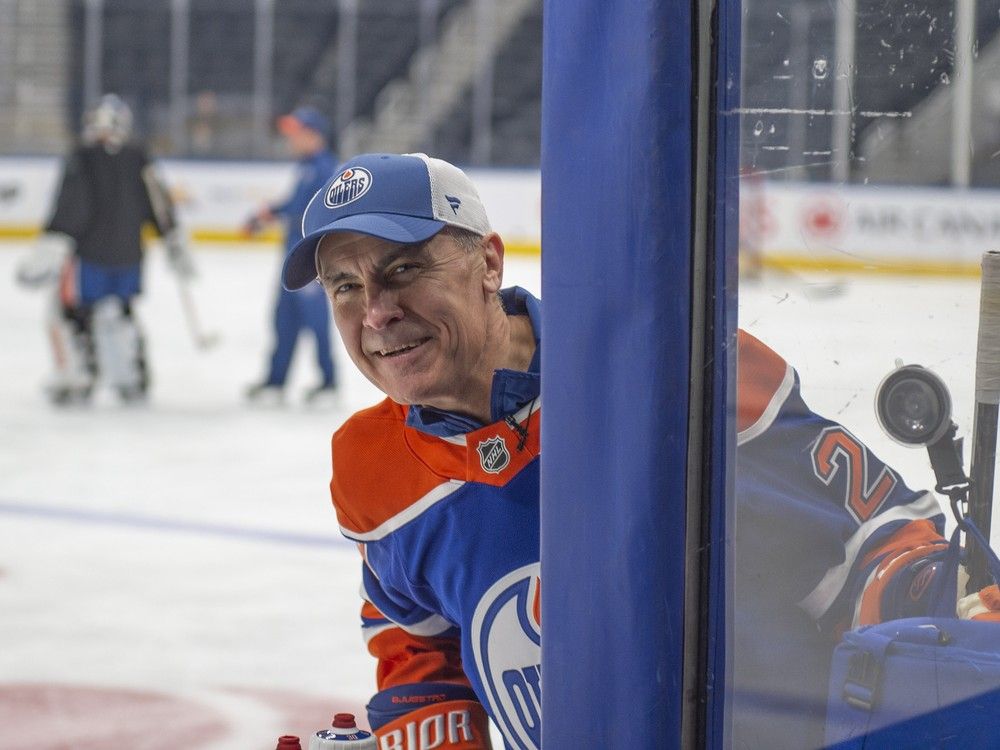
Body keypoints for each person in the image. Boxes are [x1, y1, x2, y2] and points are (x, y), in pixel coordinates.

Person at [280, 152, 1000, 750]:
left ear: (488, 263)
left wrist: (945, 596)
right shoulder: (369, 466)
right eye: (347, 285)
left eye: (405, 269)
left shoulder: (676, 371)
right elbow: (416, 640)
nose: (375, 312)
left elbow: (870, 548)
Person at [15, 93, 193, 405]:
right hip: (129, 256)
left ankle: (80, 374)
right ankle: (133, 376)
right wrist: (172, 238)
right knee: (122, 312)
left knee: (75, 314)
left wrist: (55, 236)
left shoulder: (82, 157)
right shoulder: (140, 157)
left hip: (89, 255)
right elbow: (158, 204)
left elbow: (74, 204)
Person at [244, 106, 338, 405]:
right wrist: (269, 212)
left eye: (296, 134)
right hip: (293, 256)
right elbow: (295, 204)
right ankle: (276, 380)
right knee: (284, 319)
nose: (291, 141)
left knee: (315, 321)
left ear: (312, 135)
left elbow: (308, 209)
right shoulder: (307, 166)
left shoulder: (324, 168)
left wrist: (270, 213)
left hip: (310, 260)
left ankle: (328, 383)